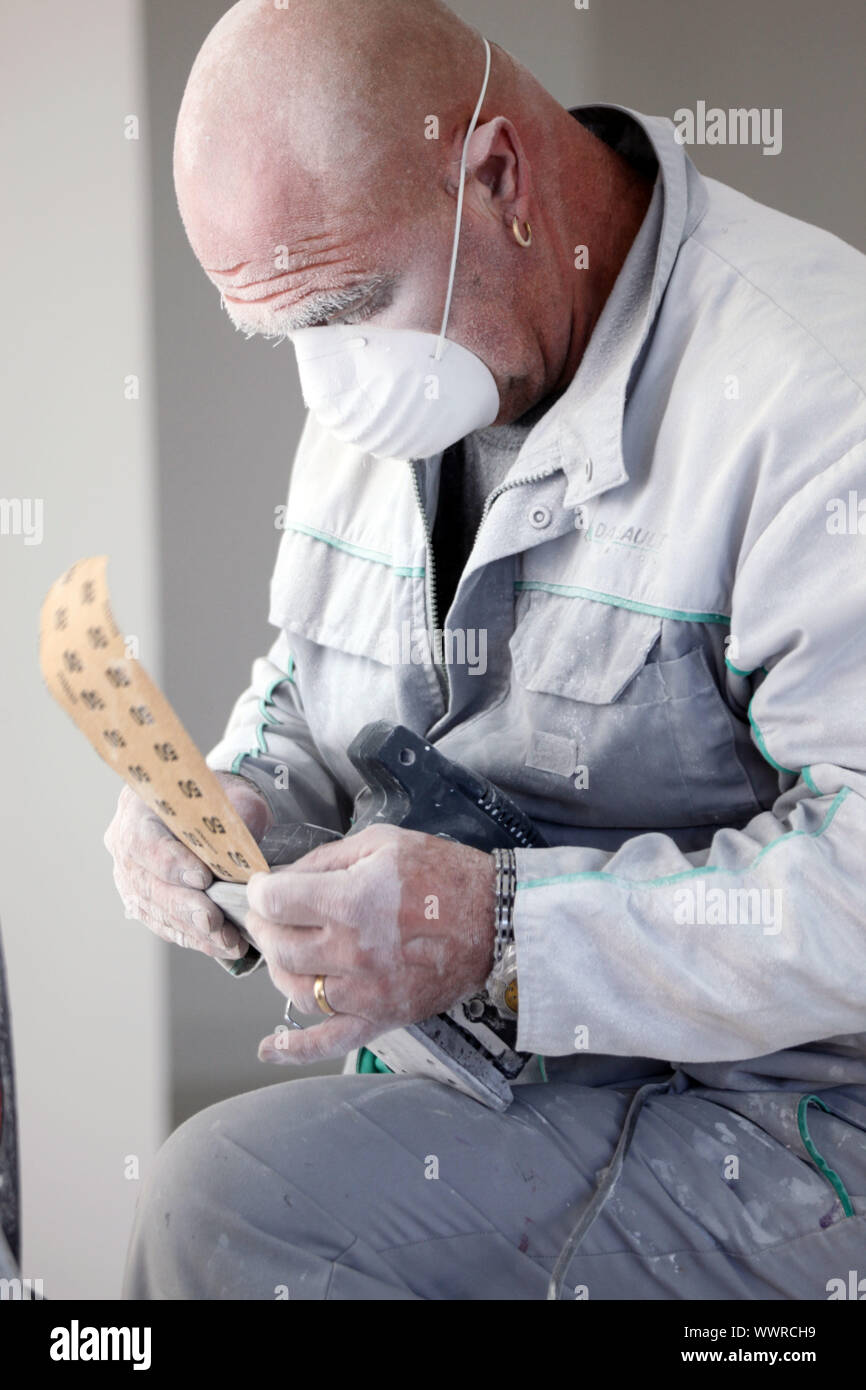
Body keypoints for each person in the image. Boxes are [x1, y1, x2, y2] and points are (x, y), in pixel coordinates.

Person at [107, 0, 866, 1300]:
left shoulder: (813, 400)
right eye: (284, 330)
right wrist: (232, 790)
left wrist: (505, 936)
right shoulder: (380, 364)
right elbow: (311, 681)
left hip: (784, 1126)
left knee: (229, 1203)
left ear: (500, 178)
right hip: (496, 1076)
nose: (331, 384)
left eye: (348, 305)